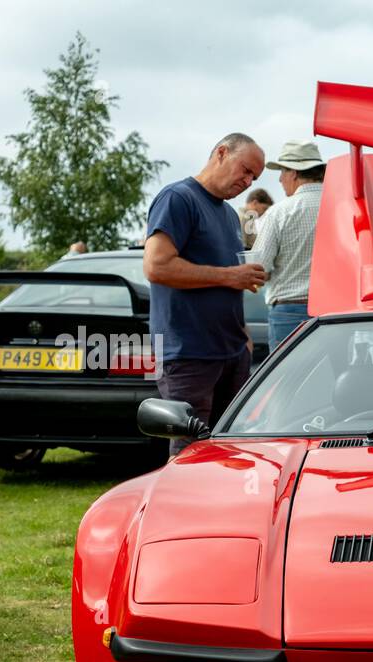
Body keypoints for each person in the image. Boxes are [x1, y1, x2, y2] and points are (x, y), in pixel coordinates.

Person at [143, 132, 267, 457]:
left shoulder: (228, 215)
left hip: (230, 352)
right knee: (191, 455)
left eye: (254, 176)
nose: (248, 181)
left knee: (228, 450)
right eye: (245, 170)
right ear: (222, 153)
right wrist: (230, 276)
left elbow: (227, 280)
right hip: (187, 354)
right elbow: (157, 266)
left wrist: (242, 335)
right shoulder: (177, 198)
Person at [253, 140, 326, 350]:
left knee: (287, 381)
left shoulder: (279, 212)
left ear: (294, 172)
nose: (280, 179)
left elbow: (260, 269)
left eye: (282, 172)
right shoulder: (343, 206)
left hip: (289, 312)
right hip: (336, 309)